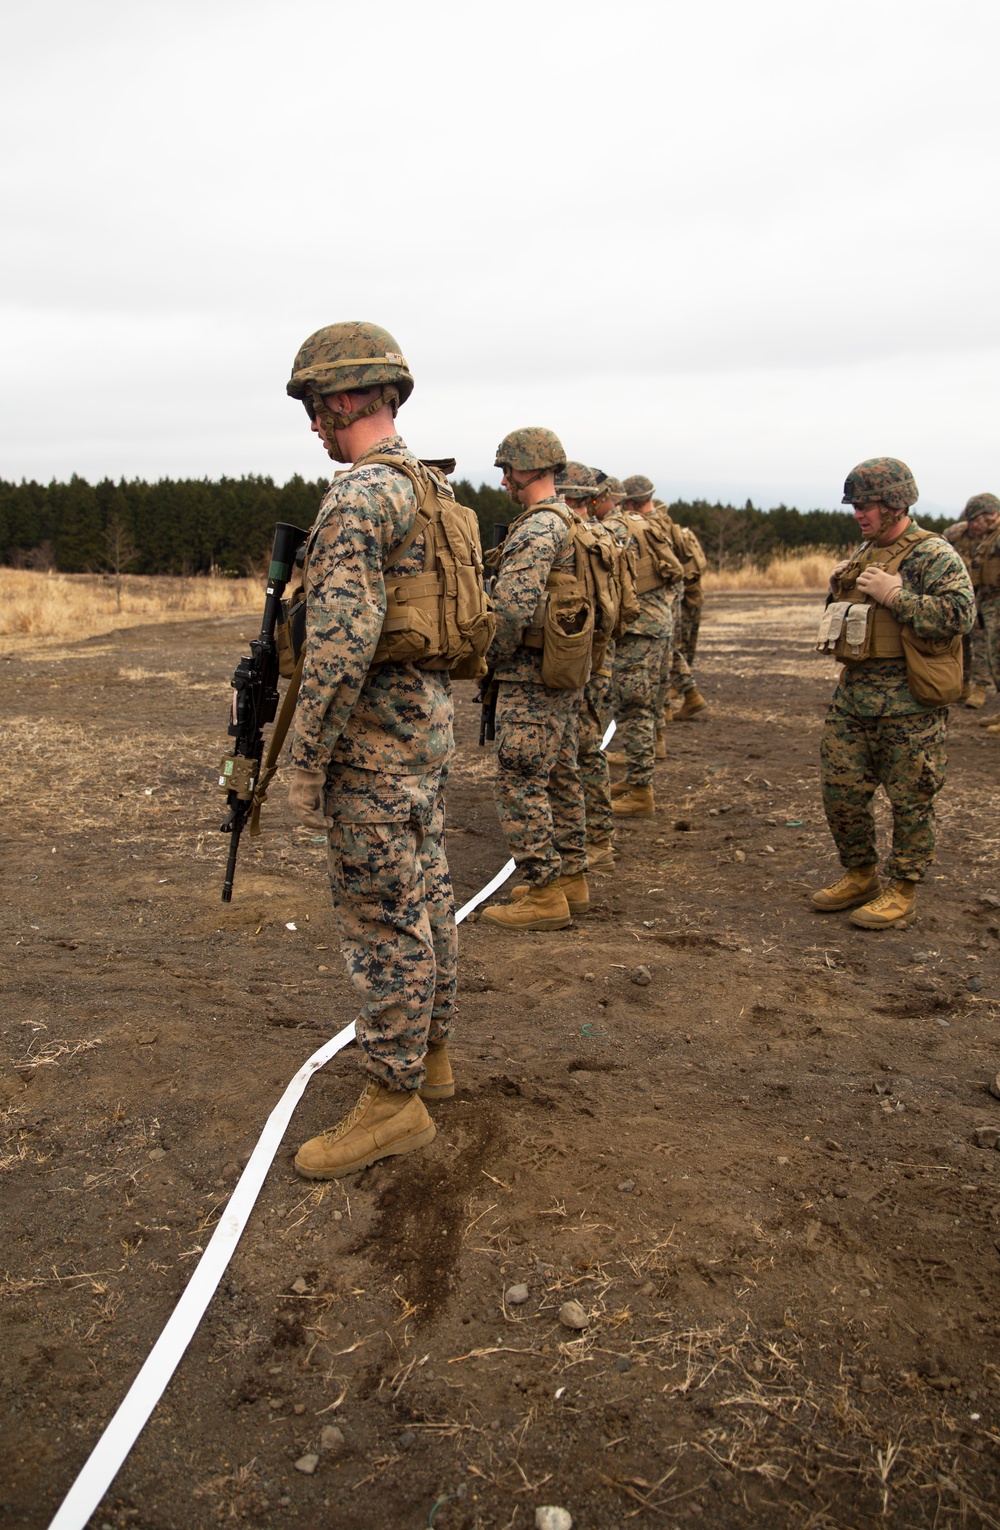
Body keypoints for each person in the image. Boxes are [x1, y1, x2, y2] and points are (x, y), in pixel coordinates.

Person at [283, 321, 458, 1178]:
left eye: (316, 405)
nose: (313, 423)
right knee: (426, 895)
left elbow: (342, 641)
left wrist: (305, 758)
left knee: (383, 917)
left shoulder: (359, 498)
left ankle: (394, 1101)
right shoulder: (430, 491)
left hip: (372, 752)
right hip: (422, 735)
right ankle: (433, 1058)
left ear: (347, 397)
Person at [813, 457, 975, 929]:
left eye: (867, 506)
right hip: (856, 696)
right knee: (840, 792)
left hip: (909, 701)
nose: (859, 514)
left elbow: (961, 615)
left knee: (911, 798)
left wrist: (896, 595)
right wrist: (836, 588)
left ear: (896, 503)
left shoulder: (934, 554)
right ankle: (860, 873)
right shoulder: (865, 552)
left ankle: (903, 888)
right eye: (856, 507)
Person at [480, 429, 589, 931]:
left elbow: (512, 607)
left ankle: (543, 891)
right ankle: (570, 878)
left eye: (509, 469)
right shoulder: (571, 522)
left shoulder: (537, 528)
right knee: (561, 772)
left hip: (531, 677)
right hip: (562, 673)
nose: (504, 480)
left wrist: (485, 657)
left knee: (518, 777)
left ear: (531, 468)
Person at [606, 475, 684, 815]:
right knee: (647, 701)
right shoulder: (641, 523)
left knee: (634, 706)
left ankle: (640, 792)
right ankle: (638, 778)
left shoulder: (617, 528)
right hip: (657, 620)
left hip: (638, 628)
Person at [946, 493, 1000, 712]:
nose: (983, 524)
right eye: (980, 520)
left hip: (993, 599)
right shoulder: (956, 535)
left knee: (990, 647)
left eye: (990, 519)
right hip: (963, 597)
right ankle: (963, 685)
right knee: (960, 643)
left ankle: (980, 687)